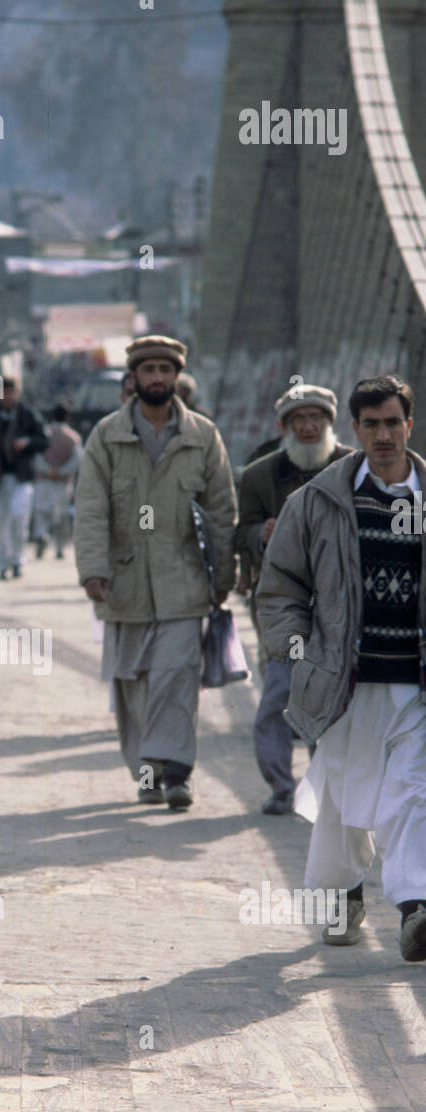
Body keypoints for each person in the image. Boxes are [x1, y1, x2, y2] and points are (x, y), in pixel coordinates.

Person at [257, 374, 426, 960]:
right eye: (371, 424)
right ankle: (342, 898)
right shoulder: (317, 502)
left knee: (413, 792)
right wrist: (298, 652)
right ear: (355, 429)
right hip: (346, 682)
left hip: (416, 682)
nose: (383, 434)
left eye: (393, 422)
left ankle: (415, 907)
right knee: (347, 798)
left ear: (411, 424)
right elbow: (279, 587)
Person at [74, 334, 236, 810]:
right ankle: (148, 774)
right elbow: (90, 509)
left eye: (166, 370)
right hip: (124, 583)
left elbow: (223, 511)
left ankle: (178, 773)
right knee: (132, 685)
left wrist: (224, 577)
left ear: (177, 377)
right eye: (149, 371)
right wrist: (93, 570)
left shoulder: (203, 436)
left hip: (183, 581)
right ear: (136, 378)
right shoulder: (106, 435)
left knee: (178, 675)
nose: (158, 379)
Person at [236, 384, 350, 814]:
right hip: (283, 606)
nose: (307, 427)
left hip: (341, 608)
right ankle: (281, 785)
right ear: (283, 427)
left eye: (315, 419)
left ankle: (327, 787)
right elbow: (239, 532)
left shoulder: (352, 469)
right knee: (279, 695)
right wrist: (257, 535)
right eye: (298, 420)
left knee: (335, 699)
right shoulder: (259, 476)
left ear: (330, 423)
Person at [0, 377, 48, 579]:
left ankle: (17, 559)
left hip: (21, 478)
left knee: (18, 517)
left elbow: (43, 440)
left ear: (16, 393)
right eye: (3, 392)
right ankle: (1, 563)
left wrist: (27, 442)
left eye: (10, 392)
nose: (7, 396)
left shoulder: (28, 415)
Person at [33, 403, 82, 559]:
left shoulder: (43, 434)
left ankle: (41, 535)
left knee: (42, 512)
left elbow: (36, 457)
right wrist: (61, 471)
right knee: (61, 515)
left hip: (42, 481)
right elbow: (77, 459)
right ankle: (60, 547)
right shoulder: (72, 437)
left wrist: (47, 470)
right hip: (62, 482)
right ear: (67, 417)